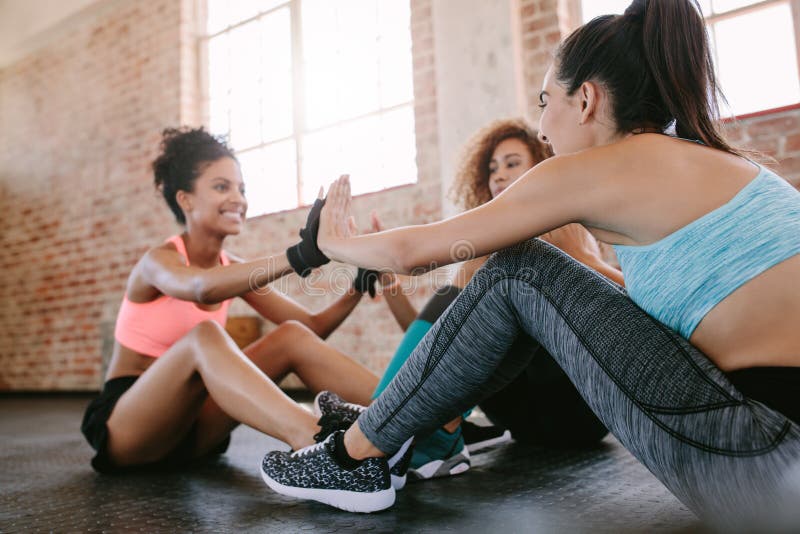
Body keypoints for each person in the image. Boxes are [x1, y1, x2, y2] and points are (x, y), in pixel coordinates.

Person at [260, 0, 800, 525]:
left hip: (764, 459)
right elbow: (655, 316)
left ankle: (353, 458)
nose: (542, 128)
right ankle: (402, 428)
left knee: (519, 266)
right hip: (775, 461)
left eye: (546, 101)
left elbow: (413, 255)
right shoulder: (721, 165)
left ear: (585, 99)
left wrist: (333, 243)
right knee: (528, 277)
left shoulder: (601, 168)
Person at [80, 127, 379, 473]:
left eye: (242, 188)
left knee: (293, 336)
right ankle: (321, 445)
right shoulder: (156, 263)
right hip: (131, 429)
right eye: (222, 187)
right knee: (204, 337)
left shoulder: (231, 269)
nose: (238, 198)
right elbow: (202, 288)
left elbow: (313, 327)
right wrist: (301, 255)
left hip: (193, 428)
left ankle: (418, 427)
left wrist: (361, 281)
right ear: (185, 199)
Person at [366, 118, 613, 479]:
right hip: (517, 416)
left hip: (578, 410)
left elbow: (614, 311)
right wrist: (389, 280)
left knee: (485, 264)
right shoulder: (487, 250)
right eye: (493, 168)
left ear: (541, 167)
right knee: (476, 272)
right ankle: (385, 425)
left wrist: (585, 260)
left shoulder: (566, 224)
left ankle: (379, 428)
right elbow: (437, 340)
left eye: (512, 163)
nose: (498, 176)